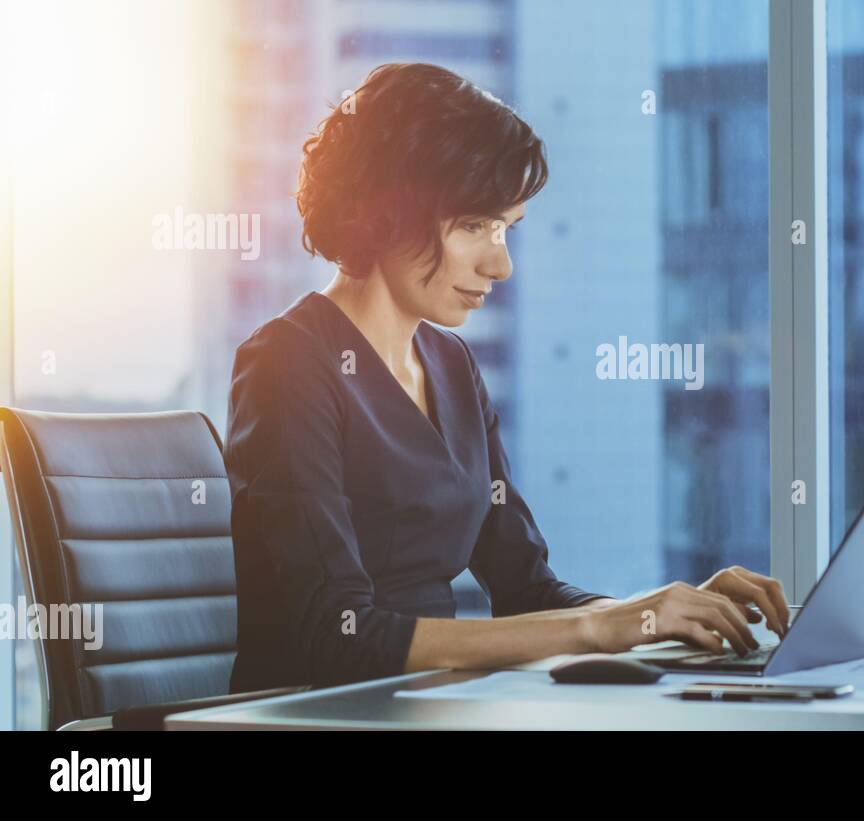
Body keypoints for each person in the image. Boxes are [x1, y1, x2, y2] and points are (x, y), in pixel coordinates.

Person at [224, 63, 790, 691]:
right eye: (473, 226)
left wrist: (657, 611)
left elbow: (527, 590)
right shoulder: (288, 364)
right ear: (385, 211)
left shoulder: (452, 366)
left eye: (506, 229)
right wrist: (595, 630)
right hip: (314, 717)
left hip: (427, 708)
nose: (500, 264)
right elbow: (336, 634)